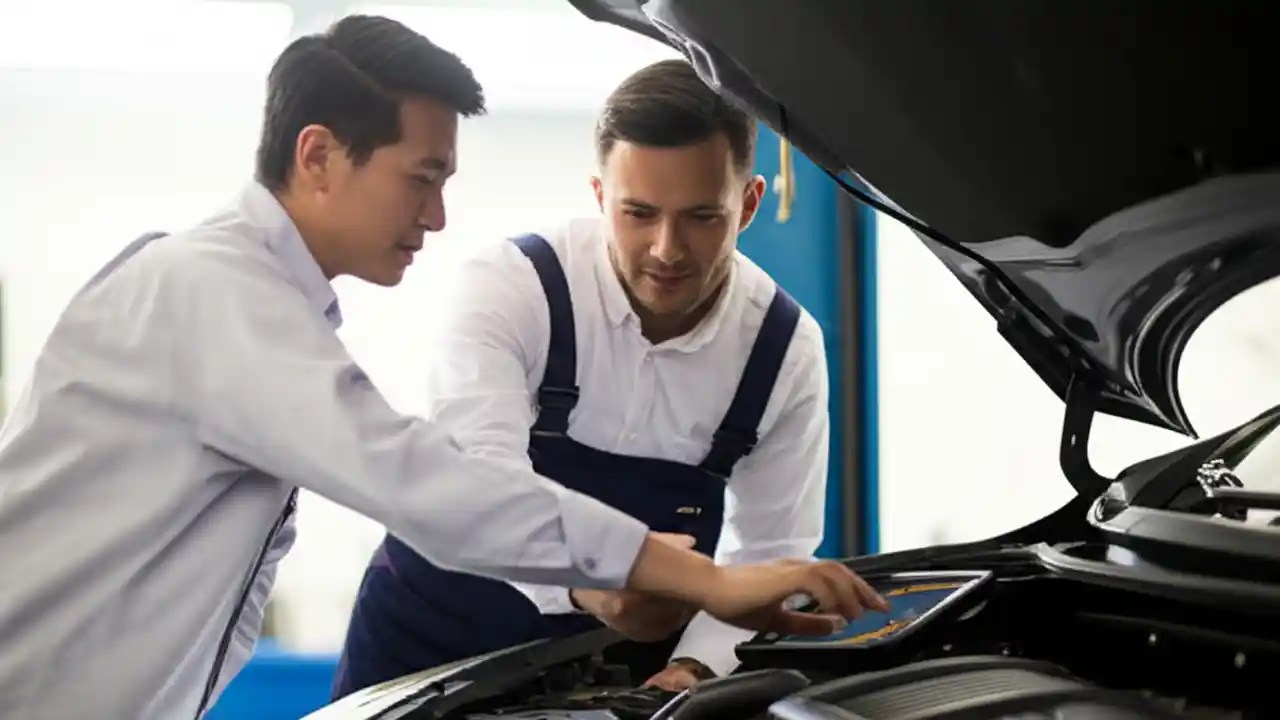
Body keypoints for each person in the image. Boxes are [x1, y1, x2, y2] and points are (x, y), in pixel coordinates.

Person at [0, 15, 885, 720]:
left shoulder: (247, 300)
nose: (437, 213)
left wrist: (692, 647)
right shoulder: (211, 295)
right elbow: (434, 483)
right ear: (317, 156)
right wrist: (708, 578)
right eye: (422, 177)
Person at [332, 58, 843, 698]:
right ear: (600, 196)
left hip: (619, 678)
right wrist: (592, 580)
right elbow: (481, 484)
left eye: (701, 217)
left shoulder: (785, 350)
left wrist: (697, 668)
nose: (667, 249)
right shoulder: (512, 287)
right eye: (639, 213)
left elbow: (771, 549)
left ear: (748, 204)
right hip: (426, 651)